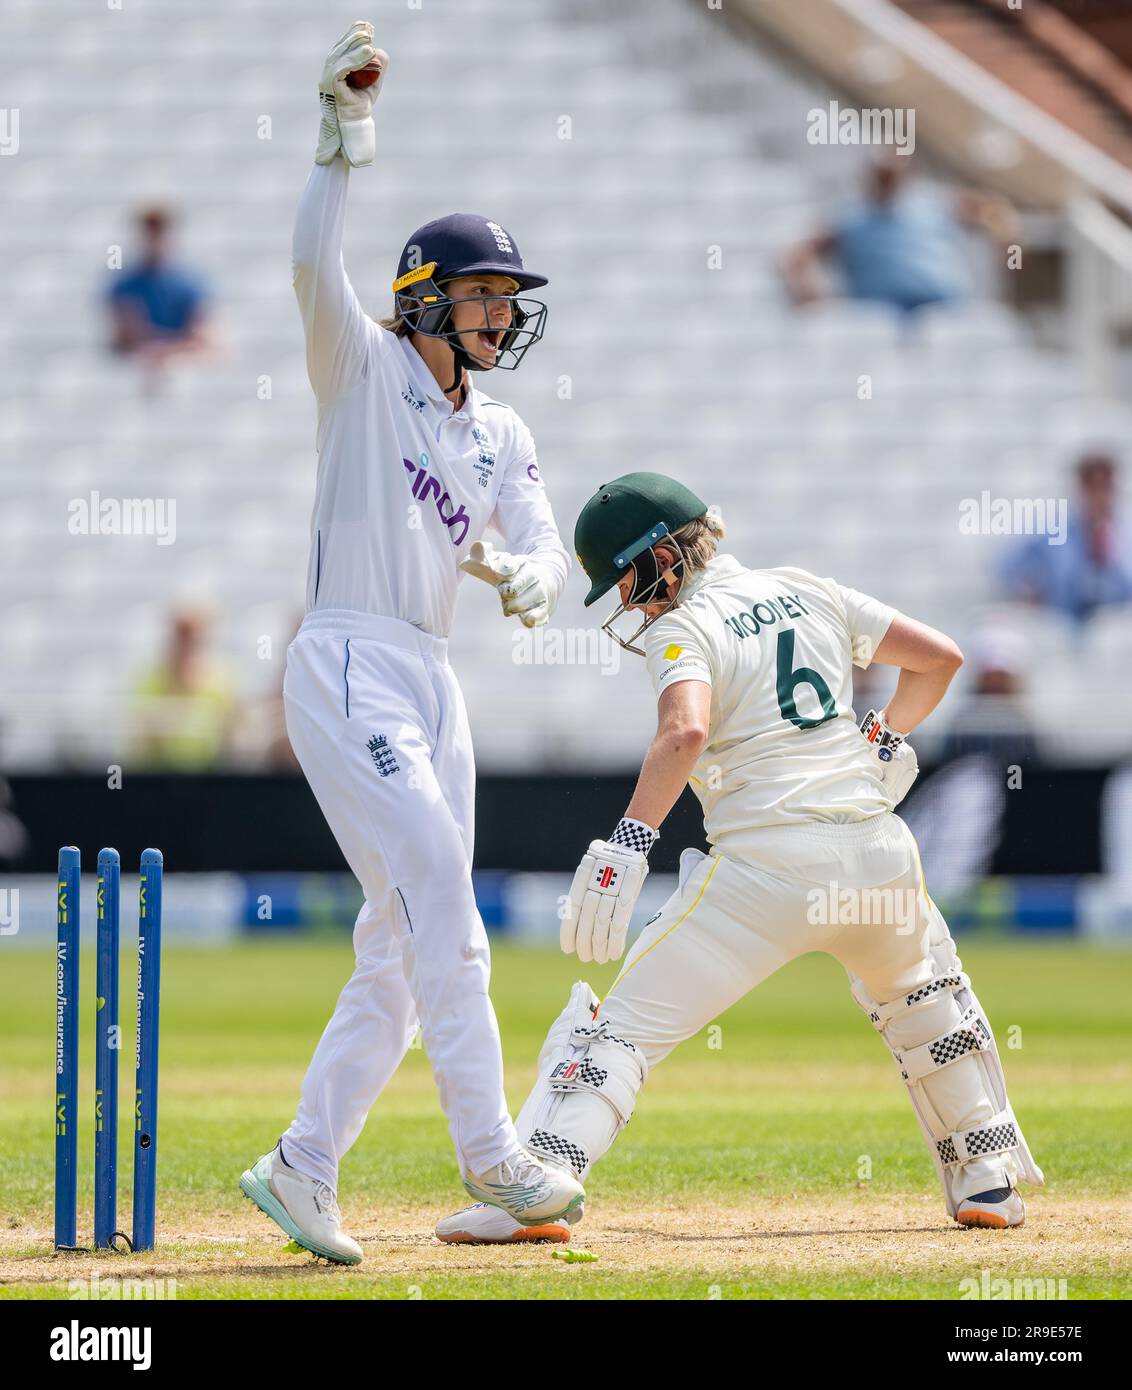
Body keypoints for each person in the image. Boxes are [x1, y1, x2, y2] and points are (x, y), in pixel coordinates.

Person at [435, 472, 1043, 1244]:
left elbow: (684, 731)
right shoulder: (807, 587)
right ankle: (986, 1178)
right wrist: (883, 734)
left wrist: (629, 841)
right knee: (925, 1005)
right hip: (879, 857)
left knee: (617, 1032)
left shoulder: (680, 625)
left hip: (768, 866)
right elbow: (942, 659)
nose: (628, 601)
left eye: (626, 579)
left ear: (660, 557)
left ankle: (540, 1184)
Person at [237, 23, 583, 1265]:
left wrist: (535, 575)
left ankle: (301, 1166)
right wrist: (343, 144)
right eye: (486, 296)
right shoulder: (363, 368)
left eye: (506, 300)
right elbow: (303, 264)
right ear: (427, 298)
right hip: (343, 661)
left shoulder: (501, 429)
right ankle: (490, 1149)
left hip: (434, 680)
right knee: (439, 888)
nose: (501, 316)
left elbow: (545, 539)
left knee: (399, 942)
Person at [784, 153, 1016, 313]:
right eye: (881, 175)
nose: (886, 182)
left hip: (943, 306)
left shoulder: (935, 205)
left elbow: (994, 210)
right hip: (880, 311)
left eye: (893, 174)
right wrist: (812, 298)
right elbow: (800, 255)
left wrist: (1008, 246)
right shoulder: (849, 216)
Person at [1001, 453, 1132, 623]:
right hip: (1063, 624)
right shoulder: (1054, 530)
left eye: (1104, 487)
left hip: (1114, 626)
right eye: (1092, 488)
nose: (1098, 497)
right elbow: (1008, 566)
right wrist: (1030, 591)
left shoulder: (1124, 533)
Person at [106, 206, 211, 366]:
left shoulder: (190, 283)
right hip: (138, 364)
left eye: (160, 232)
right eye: (149, 232)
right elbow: (124, 336)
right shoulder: (124, 284)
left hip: (181, 363)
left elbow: (200, 334)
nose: (154, 239)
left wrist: (166, 351)